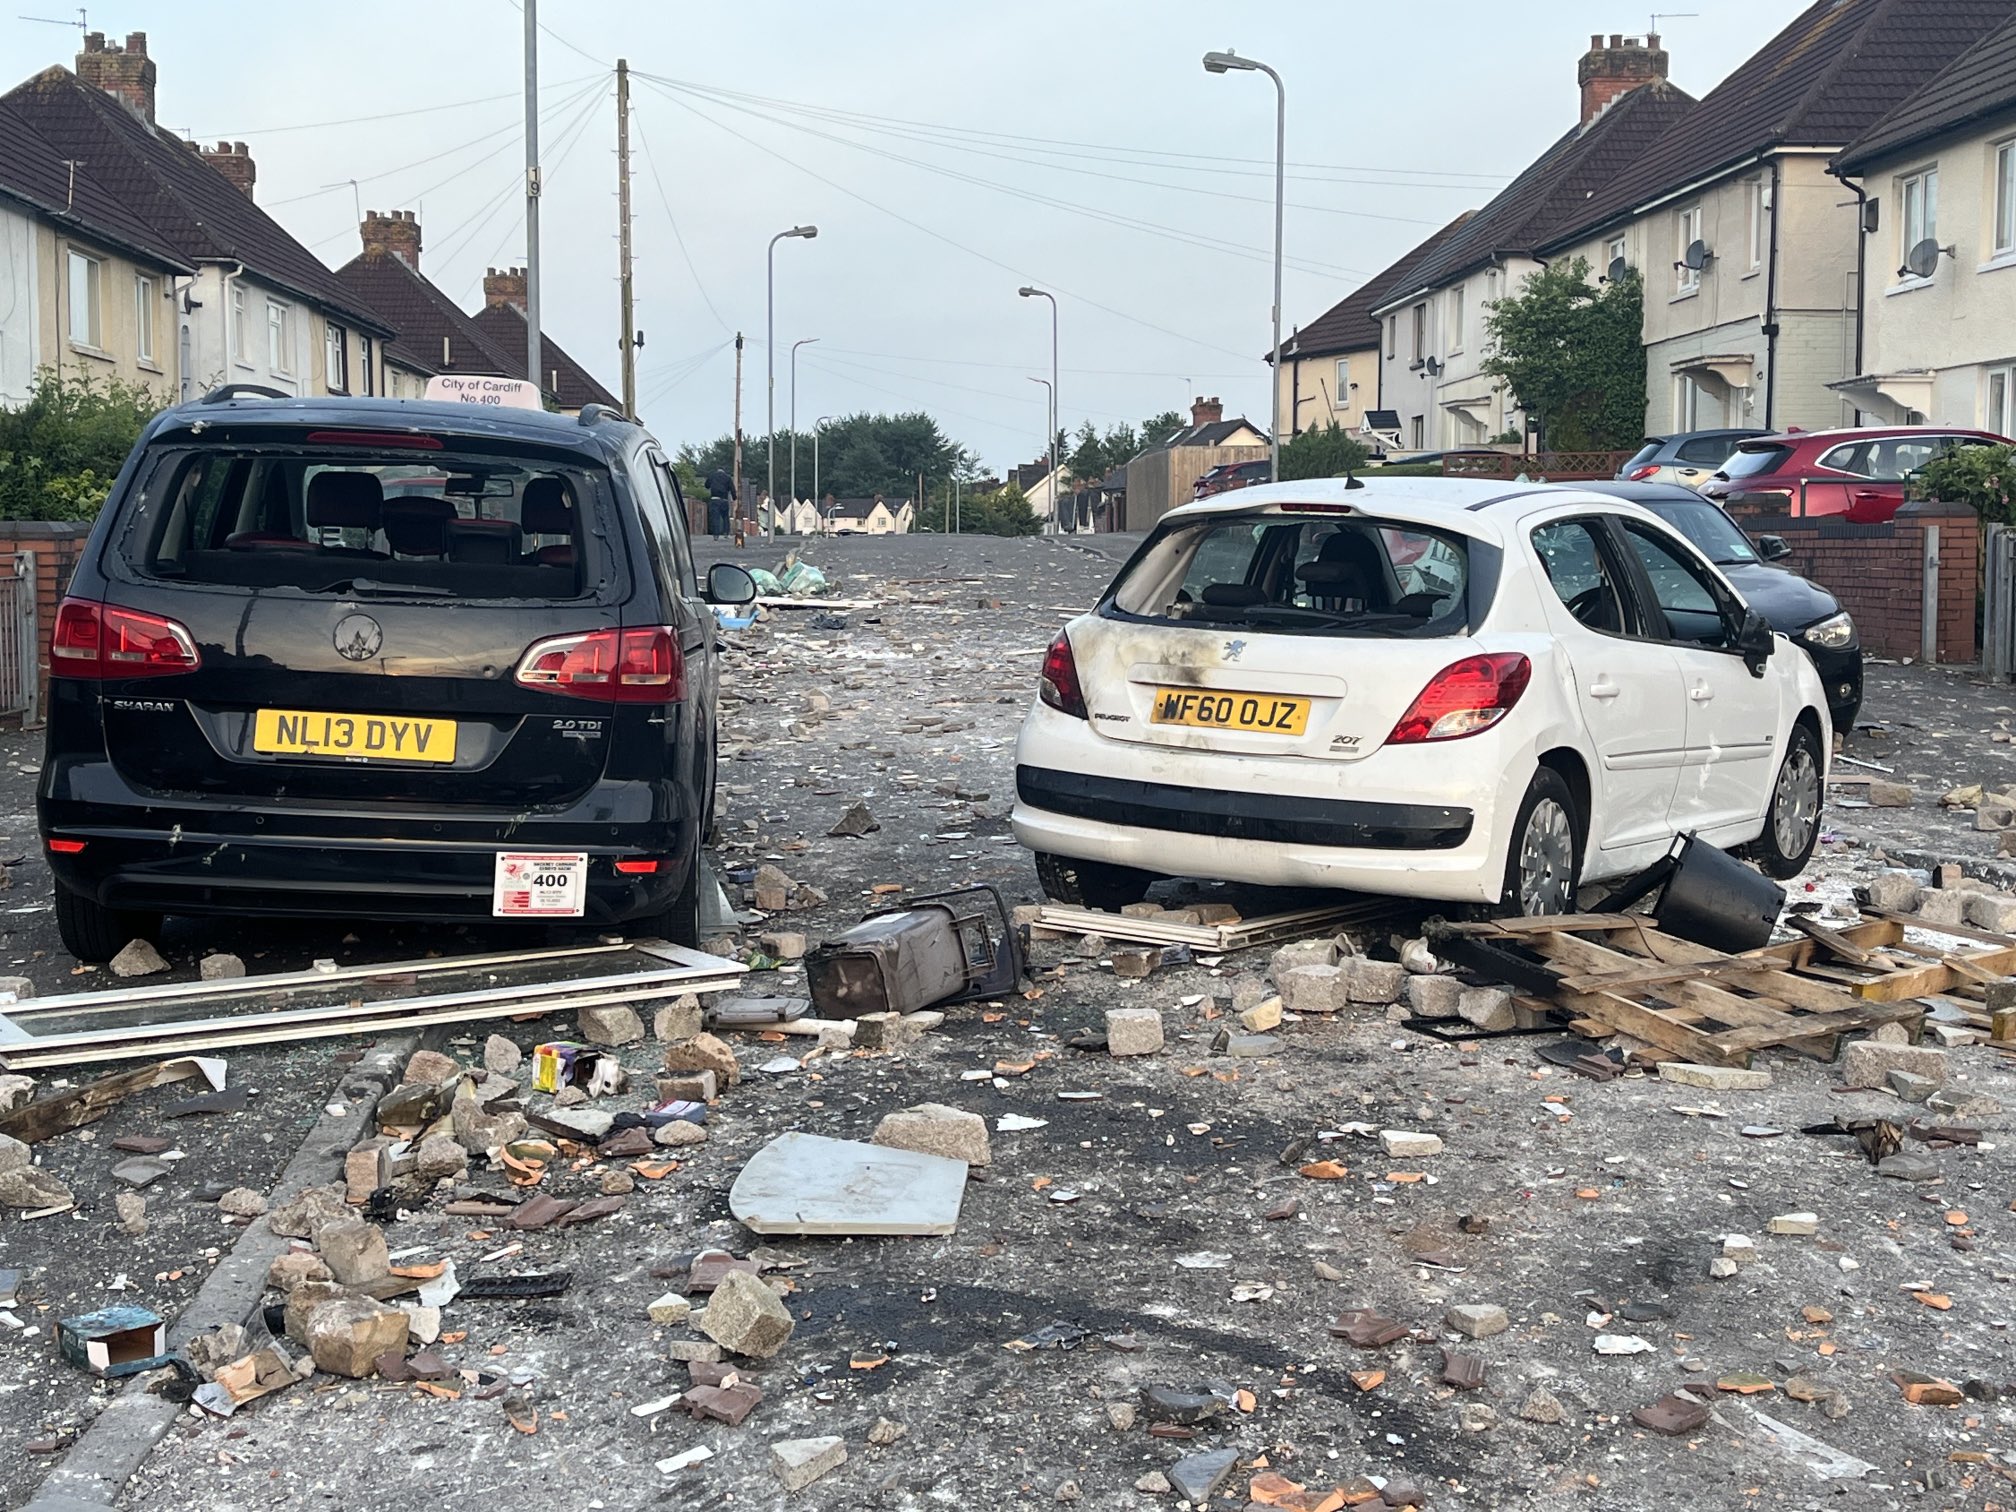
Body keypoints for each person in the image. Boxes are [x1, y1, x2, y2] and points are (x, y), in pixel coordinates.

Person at [705, 467, 733, 538]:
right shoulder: (728, 477)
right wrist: (734, 497)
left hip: (715, 499)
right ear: (724, 471)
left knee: (715, 517)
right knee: (725, 517)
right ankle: (726, 533)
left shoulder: (712, 476)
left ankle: (716, 535)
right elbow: (732, 488)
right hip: (724, 500)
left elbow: (706, 485)